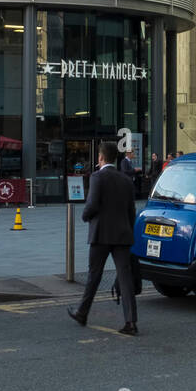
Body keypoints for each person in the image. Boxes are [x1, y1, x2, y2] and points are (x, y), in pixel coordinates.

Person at [68, 139, 139, 336]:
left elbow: (92, 205)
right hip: (123, 235)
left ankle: (82, 312)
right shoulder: (126, 179)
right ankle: (131, 322)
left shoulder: (97, 177)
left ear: (100, 157)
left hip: (101, 234)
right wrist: (129, 231)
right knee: (125, 279)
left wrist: (84, 216)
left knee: (94, 275)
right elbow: (131, 211)